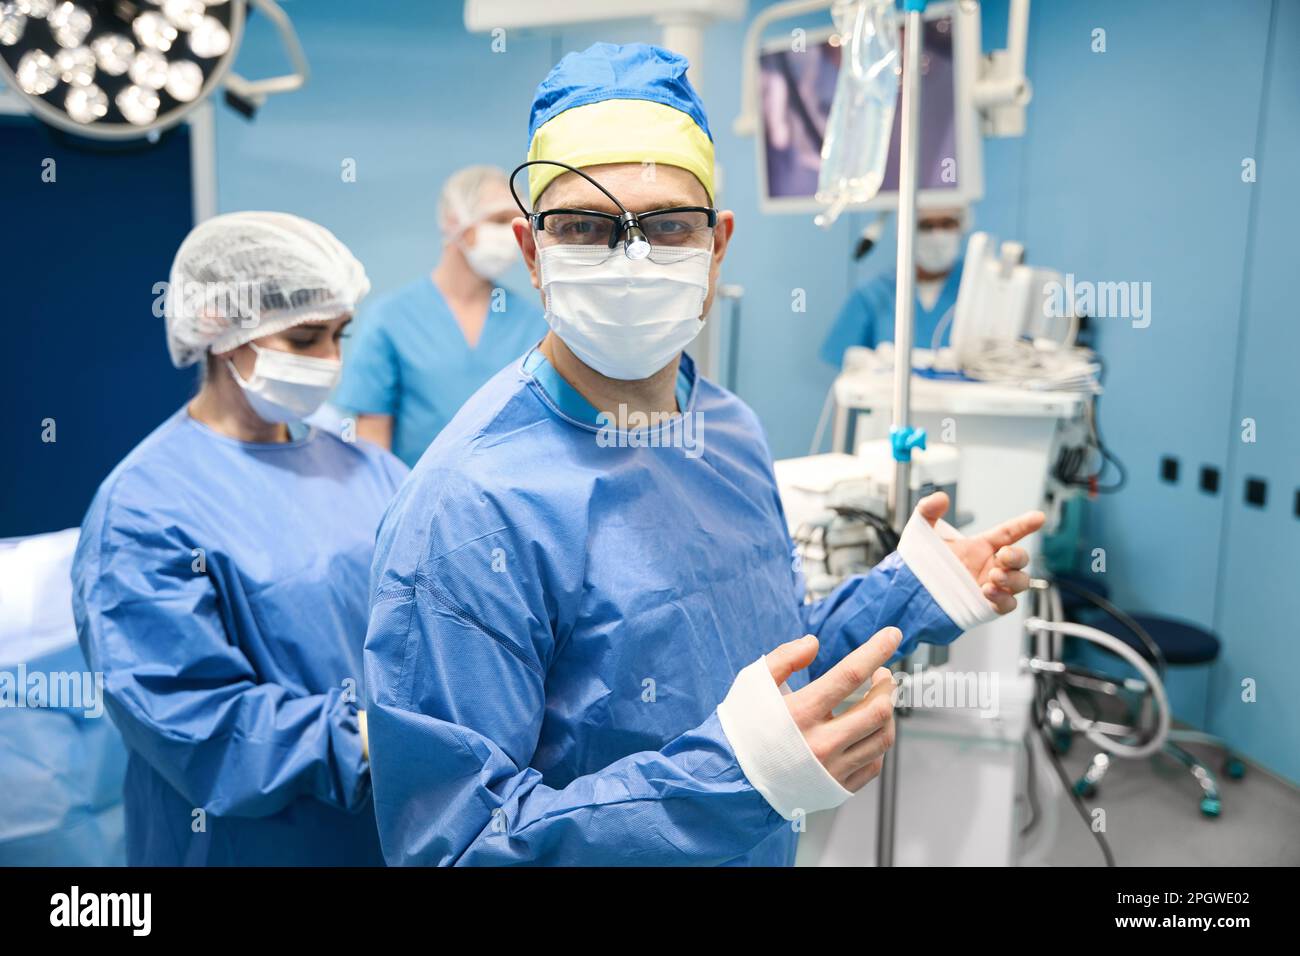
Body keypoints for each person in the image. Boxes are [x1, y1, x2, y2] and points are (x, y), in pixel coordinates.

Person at [363, 43, 1042, 866]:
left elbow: (764, 654)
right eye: (584, 227)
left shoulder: (727, 429)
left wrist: (911, 592)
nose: (629, 258)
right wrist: (738, 778)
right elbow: (454, 845)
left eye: (668, 226)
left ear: (717, 245)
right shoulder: (470, 508)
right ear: (532, 251)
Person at [72, 212, 408, 866]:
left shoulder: (374, 472)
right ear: (222, 329)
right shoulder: (144, 506)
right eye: (306, 337)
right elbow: (191, 721)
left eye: (339, 335)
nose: (331, 362)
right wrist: (362, 740)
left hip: (386, 836)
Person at [332, 165, 548, 467]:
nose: (508, 234)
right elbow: (372, 446)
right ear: (453, 222)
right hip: (414, 506)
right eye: (497, 220)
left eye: (513, 222)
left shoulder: (532, 323)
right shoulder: (392, 319)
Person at [821, 207, 969, 366]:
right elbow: (842, 353)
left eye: (947, 224)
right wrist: (866, 363)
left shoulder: (978, 288)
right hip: (891, 390)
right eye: (925, 226)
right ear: (906, 231)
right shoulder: (875, 293)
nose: (937, 236)